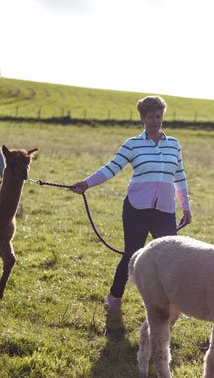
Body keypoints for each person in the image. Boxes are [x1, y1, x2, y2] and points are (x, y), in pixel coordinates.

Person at [70, 95, 191, 311]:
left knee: (170, 258)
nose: (155, 120)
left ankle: (168, 305)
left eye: (158, 116)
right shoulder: (133, 144)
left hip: (165, 210)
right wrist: (86, 184)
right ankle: (115, 297)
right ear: (142, 119)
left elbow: (179, 177)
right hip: (136, 208)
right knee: (131, 255)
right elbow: (111, 168)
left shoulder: (173, 144)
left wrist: (186, 207)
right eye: (150, 117)